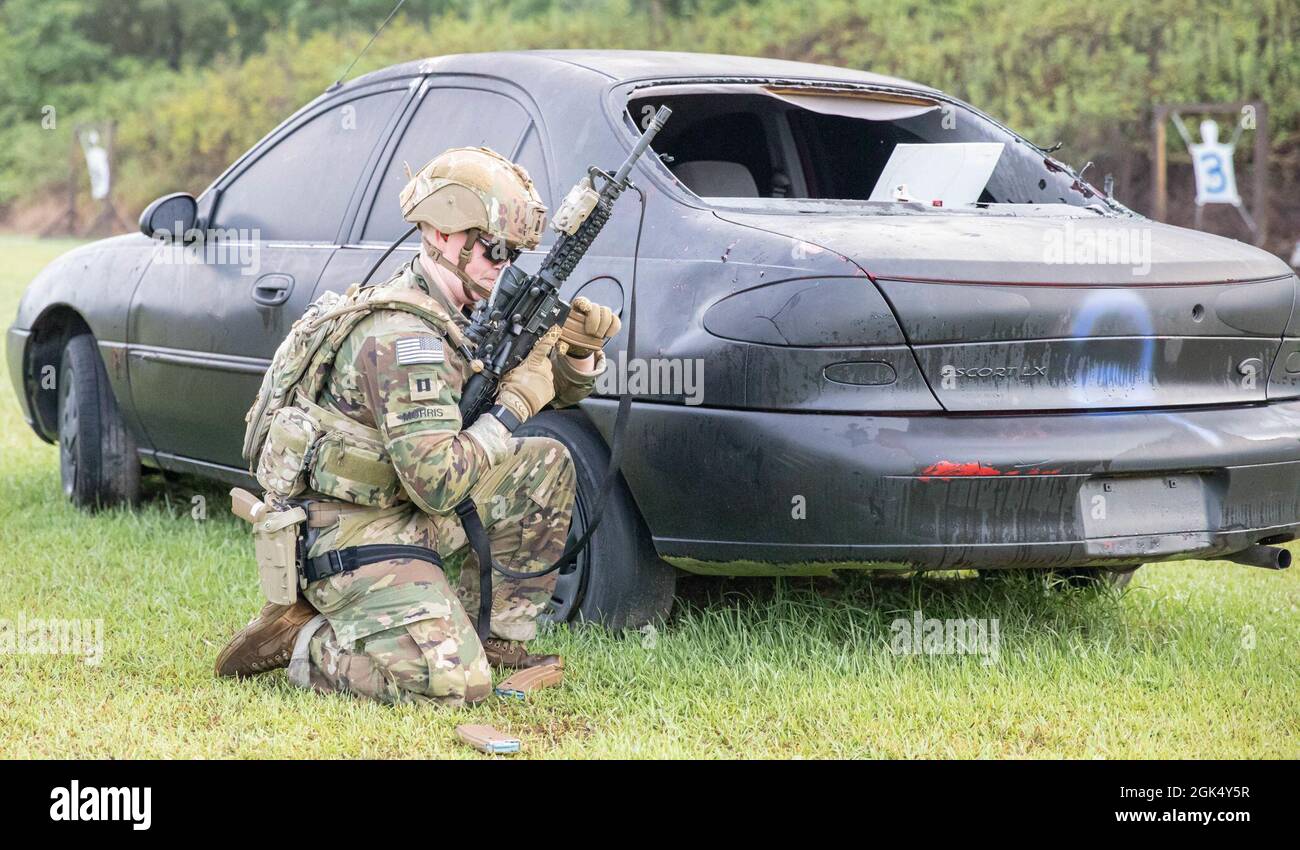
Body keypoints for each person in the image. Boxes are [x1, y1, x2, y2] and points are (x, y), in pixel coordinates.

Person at [215, 147, 621, 706]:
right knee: (454, 685)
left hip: (407, 504)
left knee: (544, 465)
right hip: (351, 529)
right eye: (492, 248)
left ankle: (496, 635)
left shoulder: (463, 308)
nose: (501, 265)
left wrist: (574, 358)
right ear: (439, 232)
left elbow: (532, 388)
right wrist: (513, 408)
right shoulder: (404, 339)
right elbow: (440, 482)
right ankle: (306, 637)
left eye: (511, 254)